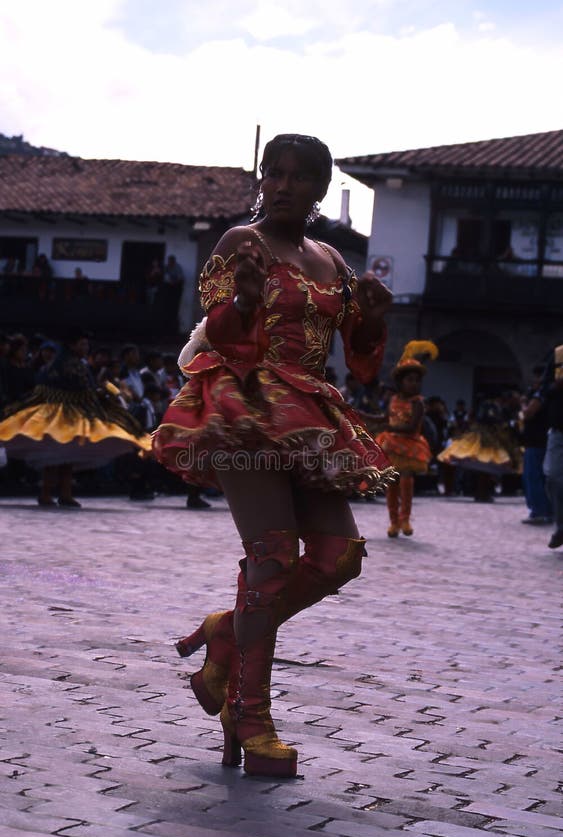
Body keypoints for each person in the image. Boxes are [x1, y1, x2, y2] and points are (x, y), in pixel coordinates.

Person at [152, 133, 395, 778]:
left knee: (339, 557)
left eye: (299, 176)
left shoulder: (332, 261)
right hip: (246, 404)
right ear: (263, 178)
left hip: (310, 415)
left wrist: (371, 320)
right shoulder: (240, 244)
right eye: (274, 173)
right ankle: (250, 716)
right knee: (273, 557)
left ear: (321, 187)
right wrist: (244, 301)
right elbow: (221, 336)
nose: (283, 185)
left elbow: (361, 361)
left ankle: (226, 632)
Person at [0, 326, 153, 507]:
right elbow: (82, 389)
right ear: (73, 345)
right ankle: (47, 493)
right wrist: (101, 396)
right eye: (82, 344)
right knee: (55, 457)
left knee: (66, 457)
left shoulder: (70, 362)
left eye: (86, 344)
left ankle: (64, 493)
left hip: (70, 415)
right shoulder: (67, 363)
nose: (86, 347)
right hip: (61, 417)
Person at [376, 341, 438, 537]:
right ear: (401, 382)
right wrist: (366, 417)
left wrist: (388, 426)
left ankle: (405, 518)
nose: (414, 384)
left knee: (406, 479)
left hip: (409, 443)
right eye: (410, 380)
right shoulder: (393, 400)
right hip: (391, 443)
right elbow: (386, 418)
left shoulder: (418, 403)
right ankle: (393, 521)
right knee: (391, 483)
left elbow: (412, 426)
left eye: (417, 380)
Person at [519, 366, 552, 525]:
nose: (534, 381)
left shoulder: (542, 394)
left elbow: (528, 413)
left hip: (536, 441)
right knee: (544, 477)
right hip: (544, 440)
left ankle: (538, 511)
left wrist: (523, 404)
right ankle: (547, 511)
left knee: (533, 476)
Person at [540, 344, 563, 549]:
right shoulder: (558, 354)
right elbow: (543, 388)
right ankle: (561, 525)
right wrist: (555, 386)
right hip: (559, 430)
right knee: (554, 478)